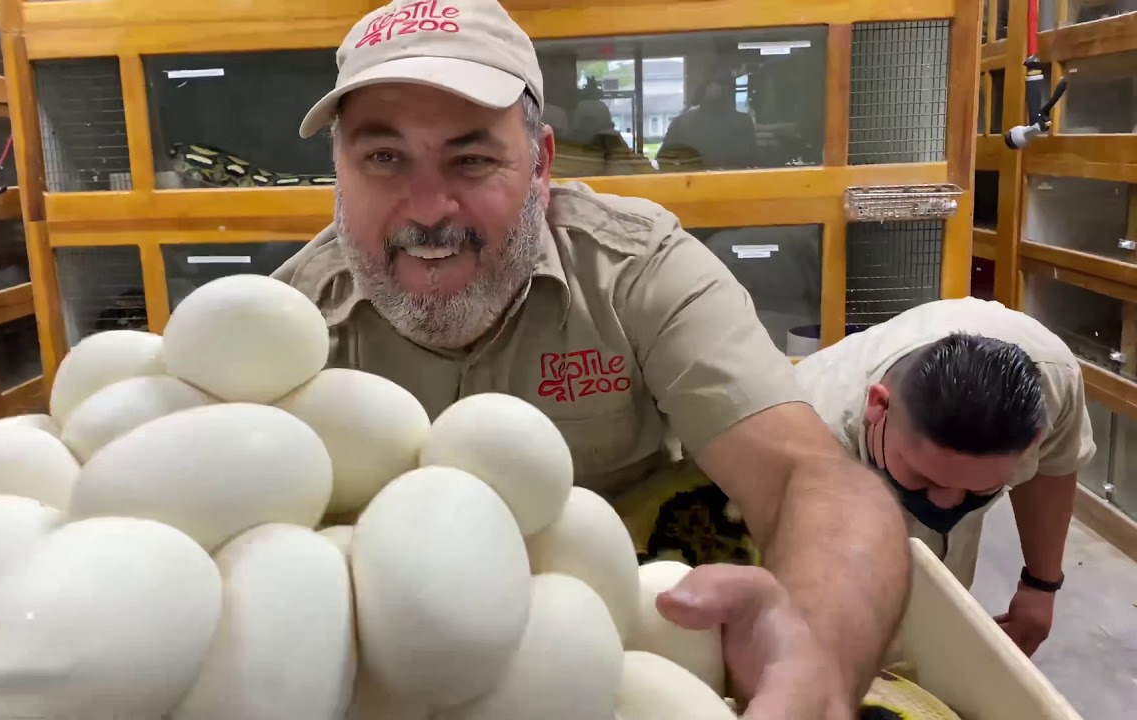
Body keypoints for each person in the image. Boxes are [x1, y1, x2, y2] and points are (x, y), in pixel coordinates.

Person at [274, 1, 910, 716]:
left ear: (541, 163)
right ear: (338, 168)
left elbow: (812, 476)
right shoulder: (287, 331)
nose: (428, 208)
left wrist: (816, 659)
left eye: (472, 158)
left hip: (629, 639)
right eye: (383, 157)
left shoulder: (634, 272)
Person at [793, 297, 1096, 657]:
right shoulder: (805, 429)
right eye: (925, 479)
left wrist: (1040, 586)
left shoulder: (1053, 379)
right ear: (879, 406)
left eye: (979, 487)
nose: (947, 504)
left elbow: (1054, 465)